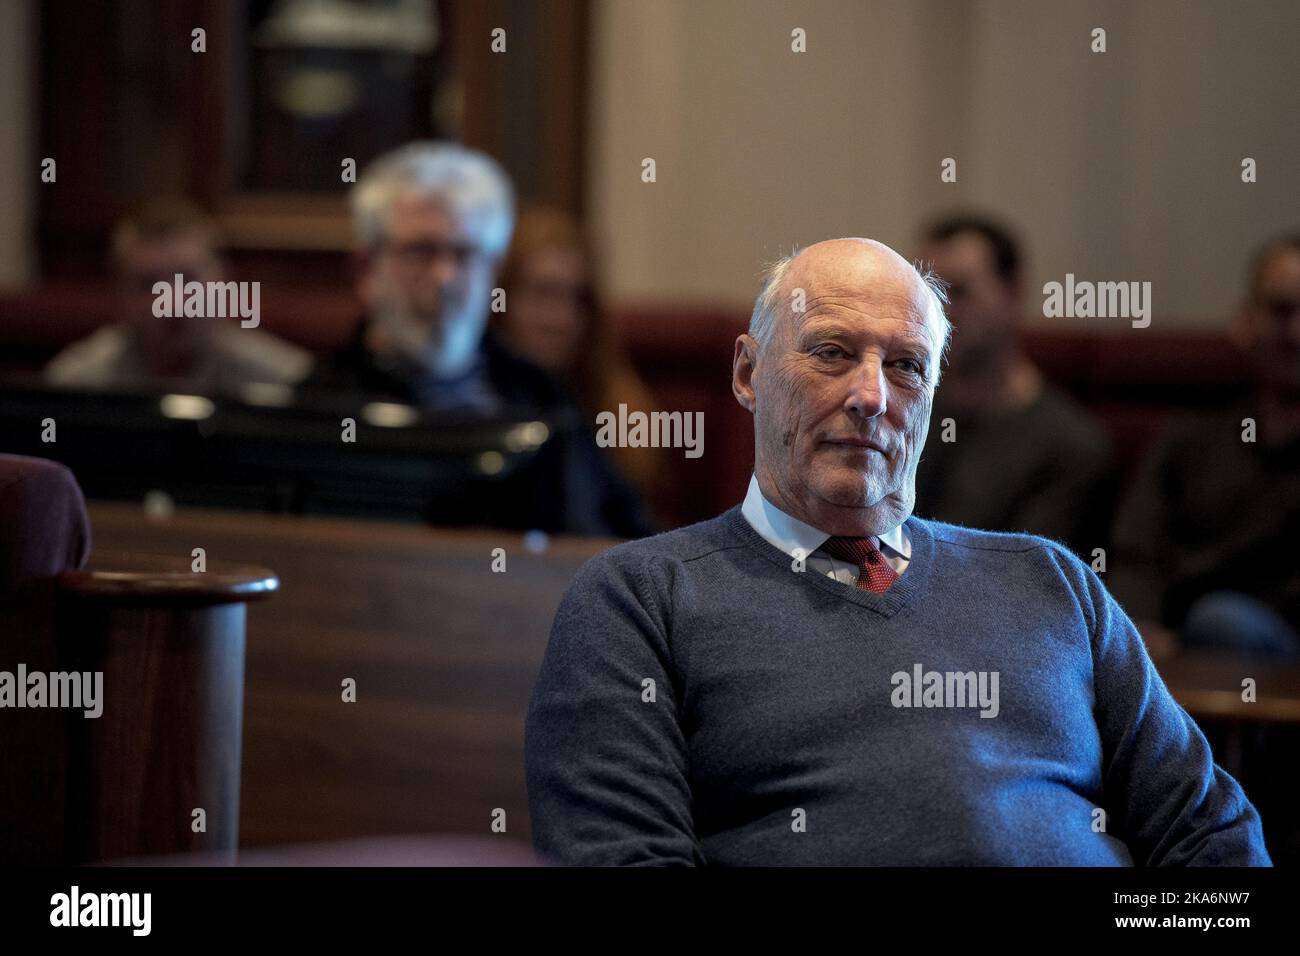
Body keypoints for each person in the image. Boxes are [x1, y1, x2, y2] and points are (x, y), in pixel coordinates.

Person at [525, 237, 1269, 866]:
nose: (872, 395)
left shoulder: (1053, 581)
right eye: (832, 352)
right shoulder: (639, 599)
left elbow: (1213, 838)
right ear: (748, 373)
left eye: (907, 366)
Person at [303, 141, 653, 537]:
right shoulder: (315, 406)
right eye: (421, 250)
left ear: (492, 270)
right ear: (366, 269)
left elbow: (620, 547)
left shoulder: (543, 401)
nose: (445, 278)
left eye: (465, 254)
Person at [1109, 233, 1300, 658]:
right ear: (1244, 321)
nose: (1297, 331)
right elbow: (1135, 553)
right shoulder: (1189, 441)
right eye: (1282, 310)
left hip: (1273, 641)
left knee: (1222, 621)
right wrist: (1141, 626)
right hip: (1169, 641)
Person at [913, 215, 1112, 558]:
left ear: (1013, 292)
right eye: (927, 293)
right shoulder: (896, 411)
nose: (937, 312)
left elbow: (1029, 579)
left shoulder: (1069, 446)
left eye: (958, 291)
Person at [44, 198, 314, 394]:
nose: (172, 303)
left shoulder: (287, 384)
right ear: (120, 296)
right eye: (149, 284)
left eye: (187, 279)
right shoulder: (78, 386)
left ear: (223, 281)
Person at [492, 206, 661, 497]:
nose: (562, 319)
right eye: (543, 293)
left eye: (578, 299)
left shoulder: (620, 410)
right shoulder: (468, 398)